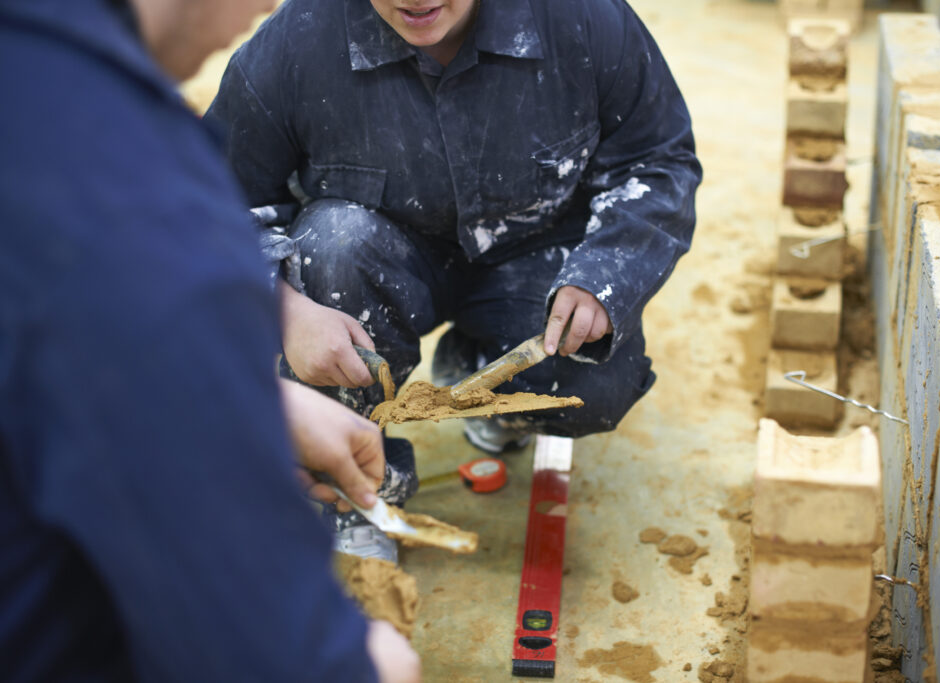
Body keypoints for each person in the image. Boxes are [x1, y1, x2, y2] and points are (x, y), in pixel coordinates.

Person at [0, 0, 420, 680]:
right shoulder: (140, 203)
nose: (267, 7)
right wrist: (362, 662)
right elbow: (268, 651)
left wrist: (247, 402)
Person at [207, 0, 702, 559]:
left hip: (531, 253)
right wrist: (286, 308)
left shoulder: (582, 19)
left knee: (595, 382)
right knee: (334, 244)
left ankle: (479, 369)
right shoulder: (295, 43)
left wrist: (601, 278)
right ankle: (355, 493)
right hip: (369, 263)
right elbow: (209, 204)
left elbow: (657, 162)